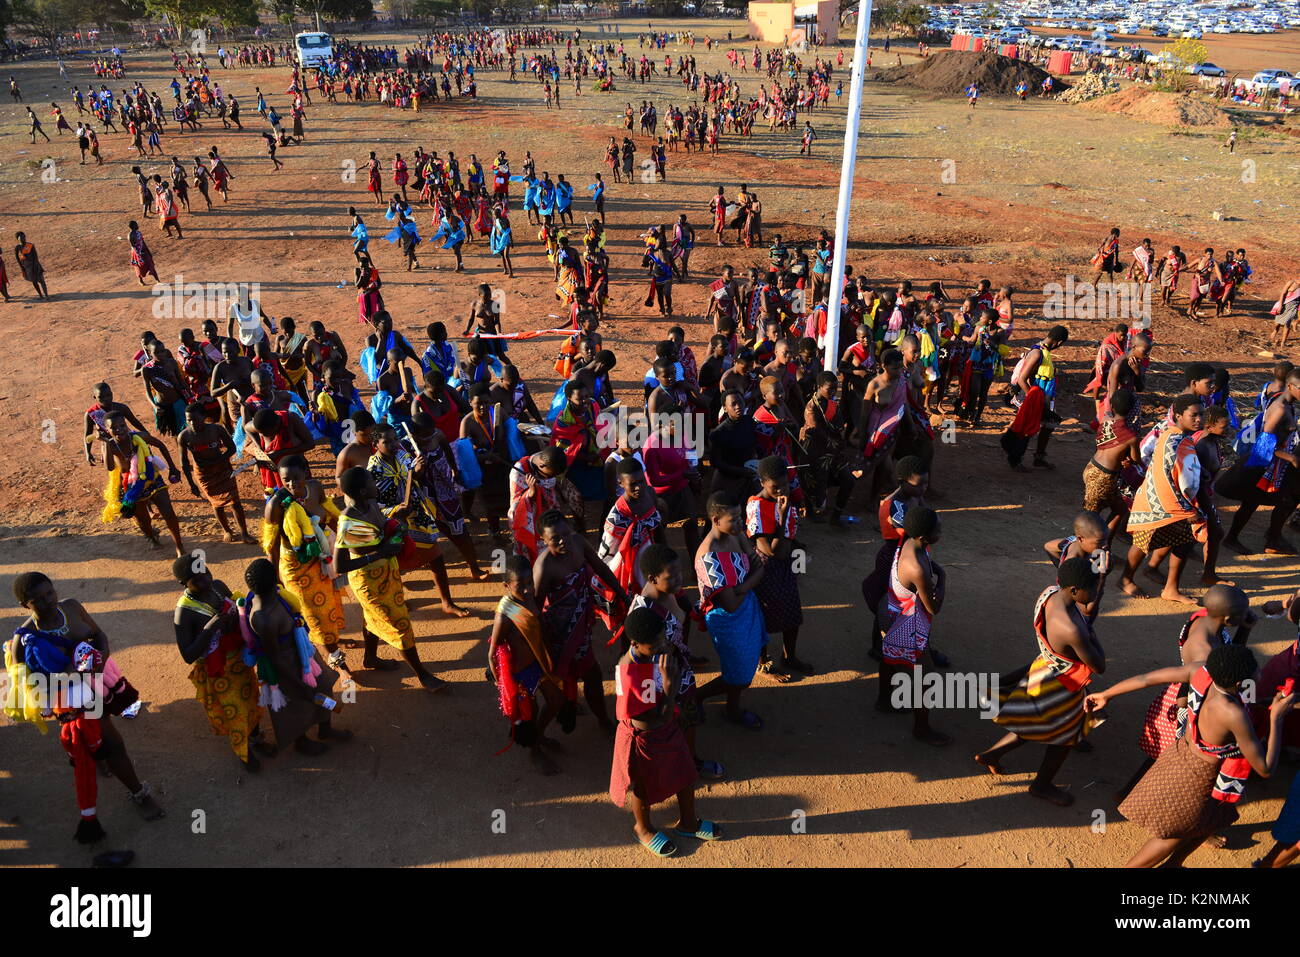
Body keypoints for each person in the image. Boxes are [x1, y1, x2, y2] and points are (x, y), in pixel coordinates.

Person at [1087, 643, 1293, 867]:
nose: (1260, 673)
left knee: (1210, 822)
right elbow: (1265, 769)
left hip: (1182, 756)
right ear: (1239, 683)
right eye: (1256, 672)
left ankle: (1173, 865)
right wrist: (1277, 719)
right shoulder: (1232, 713)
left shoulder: (1201, 671)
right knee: (1172, 837)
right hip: (1201, 779)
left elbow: (1147, 678)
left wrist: (1107, 694)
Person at [8, 571, 164, 842]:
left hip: (99, 678)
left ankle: (104, 761)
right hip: (71, 699)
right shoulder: (24, 641)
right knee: (112, 744)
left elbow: (99, 635)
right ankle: (139, 794)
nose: (48, 602)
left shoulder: (72, 606)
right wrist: (71, 673)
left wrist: (100, 658)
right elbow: (33, 687)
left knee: (102, 741)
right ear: (26, 605)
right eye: (38, 600)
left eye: (49, 593)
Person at [976, 556, 1106, 806]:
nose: (1096, 593)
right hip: (1062, 686)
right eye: (1093, 588)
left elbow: (1084, 611)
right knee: (1064, 737)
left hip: (1043, 668)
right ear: (1075, 590)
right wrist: (1091, 633)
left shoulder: (1050, 594)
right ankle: (1041, 785)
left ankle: (992, 754)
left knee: (1035, 722)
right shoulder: (1073, 630)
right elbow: (1099, 666)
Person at [610, 606, 721, 858]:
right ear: (636, 643)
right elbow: (651, 719)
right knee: (643, 787)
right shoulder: (631, 674)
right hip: (646, 740)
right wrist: (670, 688)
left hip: (667, 727)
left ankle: (688, 823)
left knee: (686, 773)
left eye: (663, 639)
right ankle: (643, 827)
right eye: (655, 644)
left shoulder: (648, 656)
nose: (662, 647)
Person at [334, 467, 448, 691]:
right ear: (362, 490)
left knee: (371, 619)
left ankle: (370, 658)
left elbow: (380, 535)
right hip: (368, 582)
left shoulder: (371, 505)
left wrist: (397, 527)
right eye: (371, 482)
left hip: (386, 572)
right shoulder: (349, 519)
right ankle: (423, 675)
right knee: (400, 625)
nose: (375, 484)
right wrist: (379, 554)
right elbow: (341, 565)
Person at [240, 558, 349, 756]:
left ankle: (325, 729)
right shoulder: (263, 617)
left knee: (323, 686)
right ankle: (302, 741)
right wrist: (298, 683)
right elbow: (274, 657)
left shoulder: (273, 595)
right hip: (285, 665)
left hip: (302, 653)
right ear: (274, 581)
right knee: (296, 704)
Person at [172, 554, 270, 770]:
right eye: (196, 580)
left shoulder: (217, 586)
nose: (205, 581)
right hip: (219, 672)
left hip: (240, 661)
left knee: (252, 701)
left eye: (206, 573)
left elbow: (237, 609)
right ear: (183, 584)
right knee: (235, 712)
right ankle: (244, 754)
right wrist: (210, 628)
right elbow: (188, 655)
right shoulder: (184, 613)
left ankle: (256, 739)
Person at [534, 509, 627, 732]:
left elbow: (601, 567)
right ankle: (543, 733)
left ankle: (601, 718)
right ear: (543, 540)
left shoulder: (578, 542)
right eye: (555, 538)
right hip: (559, 632)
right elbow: (536, 610)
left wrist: (622, 594)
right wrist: (544, 645)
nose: (563, 540)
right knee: (582, 675)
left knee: (588, 675)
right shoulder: (543, 567)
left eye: (565, 533)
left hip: (581, 622)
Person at [489, 555, 572, 775]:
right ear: (506, 586)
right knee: (529, 714)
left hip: (538, 664)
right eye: (521, 586)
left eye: (530, 583)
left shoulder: (529, 599)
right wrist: (504, 686)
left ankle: (539, 734)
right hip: (520, 675)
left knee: (556, 700)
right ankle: (534, 750)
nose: (527, 589)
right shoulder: (505, 615)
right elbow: (492, 653)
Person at [1119, 394, 1206, 604]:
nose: (1199, 419)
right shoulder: (1172, 441)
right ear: (1178, 415)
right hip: (1156, 502)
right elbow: (1164, 476)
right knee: (1142, 543)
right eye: (1193, 415)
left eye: (1202, 415)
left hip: (1175, 503)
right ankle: (1125, 579)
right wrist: (1186, 509)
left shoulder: (1184, 438)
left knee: (1183, 542)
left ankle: (1171, 588)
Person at [877, 505, 950, 746]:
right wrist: (942, 580)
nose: (941, 531)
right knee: (926, 678)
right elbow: (933, 608)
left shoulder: (908, 541)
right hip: (907, 623)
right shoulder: (917, 567)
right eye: (938, 528)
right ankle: (922, 728)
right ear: (924, 537)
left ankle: (885, 700)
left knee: (888, 658)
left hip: (891, 609)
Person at [694, 492, 767, 730]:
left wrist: (741, 586)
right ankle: (702, 699)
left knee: (741, 671)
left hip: (746, 611)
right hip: (727, 621)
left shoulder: (735, 535)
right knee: (738, 675)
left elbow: (759, 568)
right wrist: (750, 582)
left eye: (740, 518)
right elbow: (730, 604)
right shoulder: (709, 557)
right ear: (715, 520)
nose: (740, 524)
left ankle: (731, 708)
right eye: (733, 519)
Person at [746, 456, 812, 682]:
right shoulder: (756, 506)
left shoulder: (782, 498)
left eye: (785, 484)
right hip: (766, 568)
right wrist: (782, 518)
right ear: (762, 482)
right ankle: (763, 662)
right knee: (764, 615)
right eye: (775, 486)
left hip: (785, 565)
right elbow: (770, 550)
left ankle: (789, 656)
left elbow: (789, 540)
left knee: (792, 612)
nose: (781, 489)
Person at [100, 410, 185, 556]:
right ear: (107, 430)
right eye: (114, 427)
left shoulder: (139, 437)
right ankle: (151, 536)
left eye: (122, 425)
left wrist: (172, 467)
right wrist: (107, 444)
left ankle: (179, 546)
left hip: (151, 477)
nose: (119, 429)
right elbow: (109, 467)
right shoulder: (110, 446)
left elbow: (160, 445)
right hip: (130, 486)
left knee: (168, 513)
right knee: (143, 521)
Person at [178, 401, 253, 542]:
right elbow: (183, 462)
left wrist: (218, 461)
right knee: (216, 504)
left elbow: (231, 448)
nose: (192, 423)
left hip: (222, 469)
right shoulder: (184, 436)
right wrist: (191, 484)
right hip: (204, 474)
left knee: (235, 502)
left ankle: (244, 533)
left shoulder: (216, 430)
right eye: (189, 420)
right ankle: (227, 531)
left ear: (204, 417)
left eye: (195, 419)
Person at [14, 232, 48, 299]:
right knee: (34, 281)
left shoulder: (30, 245)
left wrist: (36, 266)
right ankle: (40, 295)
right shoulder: (17, 248)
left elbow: (35, 257)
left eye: (24, 237)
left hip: (35, 265)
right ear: (17, 239)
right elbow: (17, 259)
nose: (23, 239)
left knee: (41, 280)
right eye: (21, 238)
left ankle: (46, 295)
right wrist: (22, 267)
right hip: (27, 267)